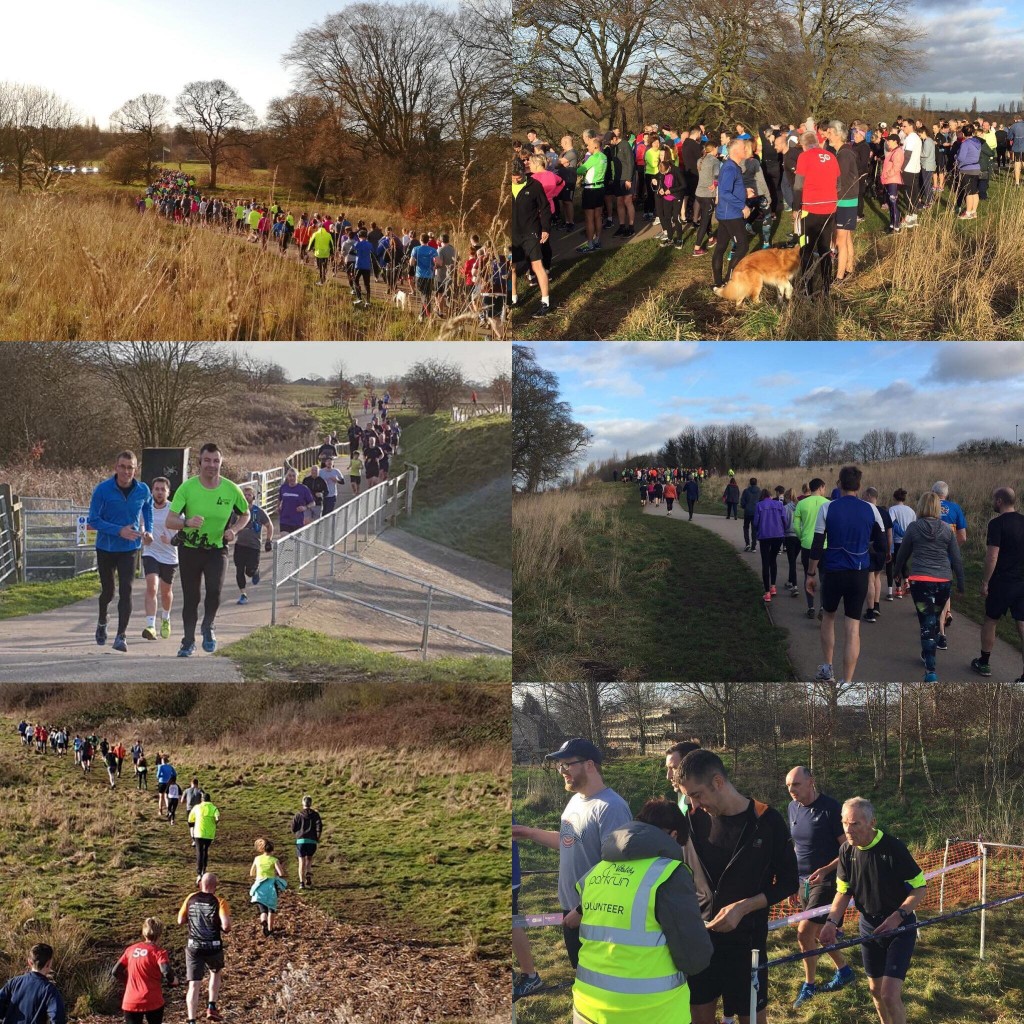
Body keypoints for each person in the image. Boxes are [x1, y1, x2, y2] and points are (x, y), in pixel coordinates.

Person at [676, 749, 799, 1024]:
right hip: (699, 943)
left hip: (747, 946)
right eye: (688, 797)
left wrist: (744, 906)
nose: (693, 804)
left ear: (718, 782)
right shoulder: (690, 820)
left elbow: (790, 881)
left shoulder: (766, 821)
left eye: (696, 794)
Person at [572, 803, 713, 1024]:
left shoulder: (596, 872)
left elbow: (580, 923)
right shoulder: (668, 874)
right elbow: (694, 959)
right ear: (673, 835)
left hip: (587, 1006)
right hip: (650, 1012)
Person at [511, 738, 632, 969]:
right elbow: (570, 842)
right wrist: (527, 832)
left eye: (567, 765)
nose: (562, 771)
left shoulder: (611, 808)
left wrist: (582, 909)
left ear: (590, 765)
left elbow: (618, 868)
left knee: (600, 979)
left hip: (595, 914)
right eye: (560, 766)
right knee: (583, 977)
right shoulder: (576, 801)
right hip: (572, 910)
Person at [818, 799, 927, 1024]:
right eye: (844, 823)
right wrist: (831, 922)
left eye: (855, 823)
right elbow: (843, 892)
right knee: (876, 992)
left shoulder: (894, 848)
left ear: (872, 822)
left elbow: (920, 887)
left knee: (889, 994)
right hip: (868, 927)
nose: (848, 829)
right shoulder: (846, 850)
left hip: (900, 926)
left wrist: (898, 916)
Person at [166, 444, 250, 657]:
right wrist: (187, 522)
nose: (211, 465)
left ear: (220, 463)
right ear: (199, 462)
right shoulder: (187, 488)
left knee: (214, 590)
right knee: (191, 598)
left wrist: (234, 530)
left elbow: (245, 514)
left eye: (216, 461)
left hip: (217, 549)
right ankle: (187, 642)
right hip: (190, 550)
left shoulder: (231, 489)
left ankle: (208, 626)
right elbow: (170, 520)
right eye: (207, 460)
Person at [806, 466, 886, 684]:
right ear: (859, 486)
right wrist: (867, 556)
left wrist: (811, 573)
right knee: (853, 626)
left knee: (829, 618)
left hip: (832, 571)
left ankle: (827, 668)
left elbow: (816, 545)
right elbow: (882, 545)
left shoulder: (827, 508)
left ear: (839, 484)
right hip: (858, 573)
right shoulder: (871, 509)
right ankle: (847, 682)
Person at [785, 766, 853, 1008]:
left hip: (828, 880)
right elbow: (796, 846)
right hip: (804, 882)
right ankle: (844, 971)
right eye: (788, 786)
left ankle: (809, 985)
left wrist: (825, 869)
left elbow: (848, 848)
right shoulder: (792, 808)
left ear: (811, 781)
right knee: (821, 934)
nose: (791, 790)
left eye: (796, 784)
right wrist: (794, 881)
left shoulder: (831, 808)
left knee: (804, 933)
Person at [893, 491, 964, 682]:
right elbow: (956, 558)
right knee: (932, 621)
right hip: (943, 581)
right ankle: (928, 653)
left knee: (927, 622)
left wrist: (896, 571)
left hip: (921, 581)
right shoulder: (947, 529)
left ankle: (930, 668)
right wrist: (961, 582)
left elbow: (903, 553)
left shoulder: (914, 528)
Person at [87, 450, 154, 653]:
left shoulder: (143, 489)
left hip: (130, 549)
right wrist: (119, 531)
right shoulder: (103, 490)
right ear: (116, 468)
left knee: (127, 590)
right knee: (108, 592)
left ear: (136, 469)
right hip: (106, 548)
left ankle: (121, 636)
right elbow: (93, 520)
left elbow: (148, 509)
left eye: (130, 467)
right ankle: (102, 621)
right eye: (123, 467)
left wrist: (148, 530)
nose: (126, 471)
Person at [973, 486, 1024, 679]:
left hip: (1002, 581)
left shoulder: (997, 524)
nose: (992, 502)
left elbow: (992, 556)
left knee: (991, 620)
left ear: (1000, 501)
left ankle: (984, 663)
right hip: (1022, 582)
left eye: (994, 499)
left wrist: (985, 581)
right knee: (1022, 625)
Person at [177, 874, 231, 1024]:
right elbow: (226, 927)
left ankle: (191, 1019)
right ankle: (211, 1006)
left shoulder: (190, 898)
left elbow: (180, 920)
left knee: (194, 984)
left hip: (194, 946)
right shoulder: (219, 901)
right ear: (216, 886)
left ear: (200, 884)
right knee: (215, 973)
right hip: (213, 946)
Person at [793, 129, 839, 296]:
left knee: (806, 249)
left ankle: (807, 289)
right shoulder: (831, 157)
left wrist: (795, 207)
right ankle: (827, 288)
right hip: (829, 208)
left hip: (810, 208)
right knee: (825, 248)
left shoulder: (804, 157)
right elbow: (838, 183)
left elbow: (798, 185)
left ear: (804, 145)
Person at [112, 918, 175, 1024]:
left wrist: (128, 981)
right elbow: (166, 971)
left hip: (131, 1000)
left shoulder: (130, 950)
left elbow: (115, 972)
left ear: (144, 932)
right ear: (160, 934)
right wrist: (173, 981)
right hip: (152, 1000)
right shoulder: (159, 952)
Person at [511, 158, 553, 317]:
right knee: (511, 267)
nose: (516, 179)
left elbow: (545, 208)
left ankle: (545, 302)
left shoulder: (534, 186)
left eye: (519, 176)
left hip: (531, 232)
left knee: (537, 266)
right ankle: (514, 298)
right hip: (512, 234)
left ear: (524, 171)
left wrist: (545, 228)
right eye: (513, 177)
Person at [142, 476, 177, 641]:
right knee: (151, 587)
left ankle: (166, 618)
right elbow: (140, 527)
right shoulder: (146, 508)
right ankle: (150, 625)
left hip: (169, 555)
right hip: (151, 552)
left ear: (168, 492)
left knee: (166, 592)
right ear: (152, 491)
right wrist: (144, 537)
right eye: (156, 489)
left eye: (163, 489)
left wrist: (171, 540)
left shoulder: (174, 509)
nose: (159, 492)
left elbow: (183, 531)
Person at [933, 480, 967, 639]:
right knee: (946, 585)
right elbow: (963, 536)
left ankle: (938, 620)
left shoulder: (929, 507)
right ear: (946, 493)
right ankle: (947, 612)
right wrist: (953, 548)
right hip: (948, 555)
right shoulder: (955, 508)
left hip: (932, 554)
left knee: (932, 587)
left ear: (933, 492)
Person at [0, 944, 66, 1024]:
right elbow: (57, 1018)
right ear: (49, 964)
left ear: (29, 962)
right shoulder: (50, 990)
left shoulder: (14, 982)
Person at [232, 484, 273, 606]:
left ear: (253, 497)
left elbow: (269, 525)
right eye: (244, 495)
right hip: (240, 545)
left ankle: (255, 571)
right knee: (239, 570)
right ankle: (243, 594)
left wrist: (268, 540)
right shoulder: (237, 512)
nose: (246, 496)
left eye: (249, 494)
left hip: (254, 546)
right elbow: (230, 526)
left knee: (249, 571)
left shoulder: (258, 512)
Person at [754, 487, 790, 603]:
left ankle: (767, 593)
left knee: (765, 562)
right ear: (770, 495)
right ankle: (773, 586)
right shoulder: (779, 505)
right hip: (778, 535)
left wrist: (757, 530)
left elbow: (755, 522)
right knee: (773, 559)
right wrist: (783, 530)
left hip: (764, 536)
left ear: (762, 497)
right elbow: (784, 519)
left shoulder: (759, 505)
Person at [249, 838, 287, 937]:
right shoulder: (274, 860)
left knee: (262, 908)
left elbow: (251, 873)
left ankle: (263, 920)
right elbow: (281, 873)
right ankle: (270, 929)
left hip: (259, 885)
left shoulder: (257, 859)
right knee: (271, 908)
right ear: (272, 849)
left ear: (262, 849)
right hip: (270, 886)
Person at [291, 795, 323, 889]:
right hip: (312, 840)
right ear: (311, 803)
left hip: (300, 840)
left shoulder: (298, 815)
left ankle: (301, 883)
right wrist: (317, 838)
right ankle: (308, 872)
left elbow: (293, 828)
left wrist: (298, 834)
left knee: (301, 861)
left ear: (302, 803)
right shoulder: (316, 814)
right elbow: (319, 827)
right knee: (309, 858)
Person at [188, 793, 220, 884]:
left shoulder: (197, 807)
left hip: (198, 833)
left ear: (202, 799)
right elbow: (217, 818)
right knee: (205, 850)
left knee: (199, 852)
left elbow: (190, 819)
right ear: (210, 800)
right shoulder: (214, 808)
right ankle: (204, 869)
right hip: (209, 834)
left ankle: (199, 873)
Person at [664, 740, 701, 816]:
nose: (668, 776)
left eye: (674, 768)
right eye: (668, 769)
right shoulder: (683, 795)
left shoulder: (708, 808)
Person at [740, 477, 761, 553]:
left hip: (748, 511)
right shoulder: (759, 491)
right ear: (756, 483)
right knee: (754, 529)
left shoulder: (746, 491)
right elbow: (761, 501)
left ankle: (747, 543)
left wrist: (744, 506)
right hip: (756, 512)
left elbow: (742, 501)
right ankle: (754, 546)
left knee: (746, 527)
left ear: (750, 483)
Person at [184, 777, 203, 846]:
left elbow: (182, 801)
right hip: (198, 810)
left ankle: (194, 840)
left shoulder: (186, 790)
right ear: (197, 784)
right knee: (198, 825)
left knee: (191, 826)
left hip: (189, 809)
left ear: (191, 783)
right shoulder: (200, 790)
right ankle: (198, 838)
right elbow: (204, 797)